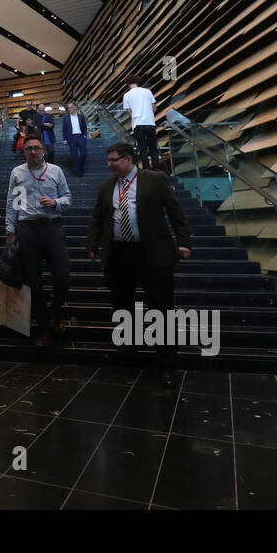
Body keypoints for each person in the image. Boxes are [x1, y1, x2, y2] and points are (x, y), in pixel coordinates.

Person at [86, 141, 191, 387]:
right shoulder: (105, 187)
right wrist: (92, 244)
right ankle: (129, 351)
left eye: (114, 160)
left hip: (152, 253)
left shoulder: (154, 179)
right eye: (108, 160)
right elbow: (98, 217)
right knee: (122, 304)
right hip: (119, 254)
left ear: (129, 159)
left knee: (161, 306)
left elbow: (176, 212)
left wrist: (183, 241)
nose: (109, 164)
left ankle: (166, 360)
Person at [4, 137, 72, 347]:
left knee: (62, 277)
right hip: (27, 230)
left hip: (52, 227)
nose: (33, 151)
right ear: (24, 151)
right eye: (29, 149)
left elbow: (68, 198)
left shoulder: (55, 171)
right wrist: (10, 231)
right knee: (33, 282)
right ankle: (44, 327)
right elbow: (12, 203)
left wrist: (55, 203)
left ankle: (57, 309)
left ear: (43, 150)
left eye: (36, 148)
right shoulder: (17, 172)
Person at [123, 77, 160, 171]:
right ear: (138, 82)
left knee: (142, 148)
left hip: (137, 124)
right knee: (153, 147)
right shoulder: (147, 91)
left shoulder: (127, 95)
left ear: (127, 84)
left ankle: (146, 168)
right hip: (150, 122)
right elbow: (154, 108)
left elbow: (129, 111)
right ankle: (156, 168)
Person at [62, 103, 89, 178]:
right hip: (71, 138)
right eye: (68, 108)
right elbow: (64, 129)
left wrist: (85, 136)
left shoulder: (81, 117)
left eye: (71, 107)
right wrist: (64, 139)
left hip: (80, 137)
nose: (69, 109)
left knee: (83, 154)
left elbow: (85, 127)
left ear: (75, 108)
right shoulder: (66, 118)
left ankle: (81, 168)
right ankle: (77, 172)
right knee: (74, 156)